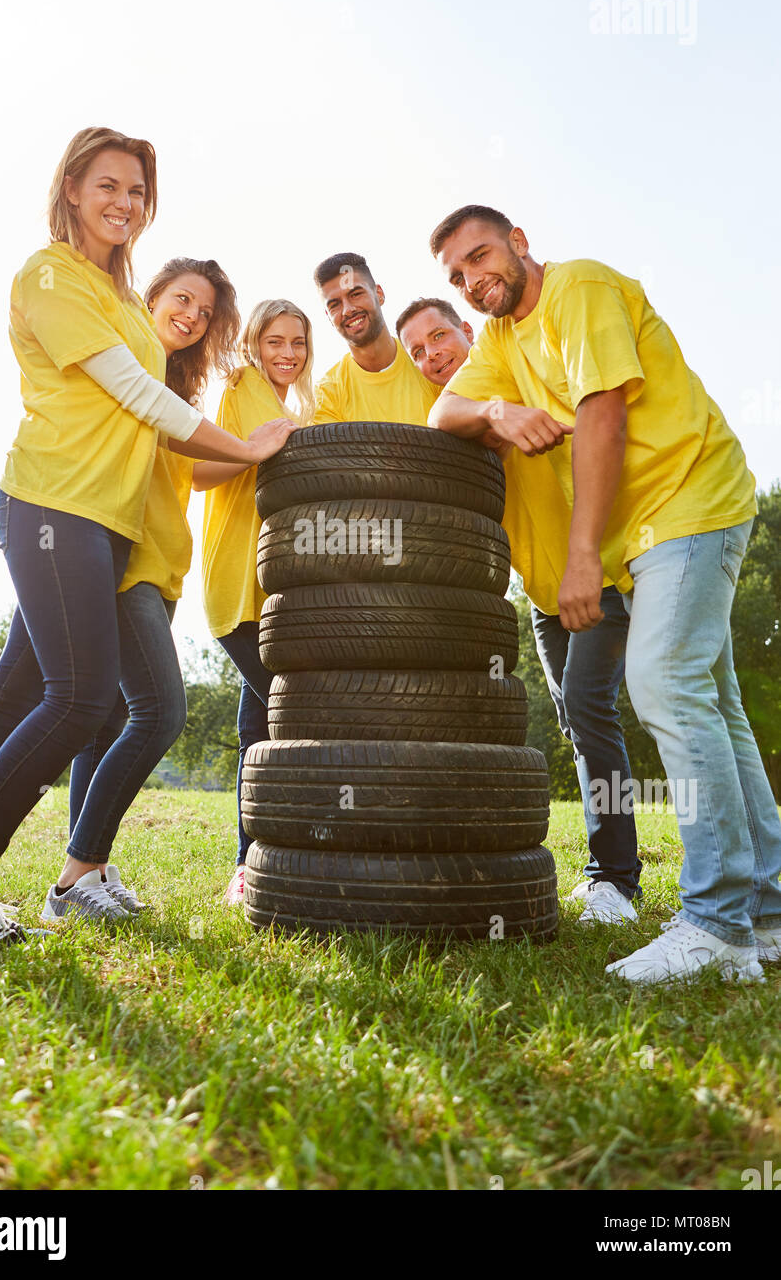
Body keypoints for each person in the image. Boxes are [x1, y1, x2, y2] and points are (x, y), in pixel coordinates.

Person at [0, 127, 293, 946]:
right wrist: (250, 444)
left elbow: (162, 419)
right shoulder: (50, 274)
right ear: (72, 190)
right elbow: (135, 394)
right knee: (82, 700)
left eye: (136, 192)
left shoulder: (124, 299)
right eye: (107, 186)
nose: (123, 203)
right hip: (53, 503)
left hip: (107, 524)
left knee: (17, 697)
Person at [428, 203, 781, 983]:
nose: (473, 278)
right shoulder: (497, 339)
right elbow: (441, 409)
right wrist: (496, 407)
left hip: (689, 500)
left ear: (519, 243)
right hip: (651, 535)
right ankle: (767, 911)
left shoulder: (578, 288)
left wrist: (581, 555)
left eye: (481, 256)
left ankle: (717, 922)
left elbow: (604, 411)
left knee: (664, 684)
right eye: (456, 274)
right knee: (715, 702)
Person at [397, 297, 641, 922]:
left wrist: (503, 409)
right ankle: (609, 873)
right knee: (578, 725)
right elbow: (442, 412)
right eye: (418, 351)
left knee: (590, 711)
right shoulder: (473, 407)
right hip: (542, 595)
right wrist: (493, 417)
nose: (432, 355)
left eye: (439, 337)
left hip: (602, 574)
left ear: (467, 331)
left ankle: (616, 879)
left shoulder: (507, 368)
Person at [44, 257, 243, 922]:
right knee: (160, 712)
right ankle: (73, 882)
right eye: (181, 299)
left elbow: (192, 462)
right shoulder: (127, 361)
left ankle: (91, 872)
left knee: (104, 722)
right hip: (125, 561)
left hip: (161, 569)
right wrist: (254, 446)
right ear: (151, 295)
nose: (190, 315)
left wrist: (258, 450)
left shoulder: (176, 385)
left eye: (204, 312)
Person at [197, 300, 314, 905]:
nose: (287, 352)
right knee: (292, 712)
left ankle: (249, 863)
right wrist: (253, 445)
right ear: (253, 343)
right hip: (238, 580)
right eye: (274, 341)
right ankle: (283, 851)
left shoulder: (289, 406)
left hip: (276, 587)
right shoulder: (241, 386)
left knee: (257, 727)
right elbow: (197, 471)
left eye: (297, 341)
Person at [312, 252, 438, 424]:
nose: (347, 310)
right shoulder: (327, 393)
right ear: (328, 316)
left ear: (379, 294)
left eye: (355, 294)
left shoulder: (430, 360)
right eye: (335, 305)